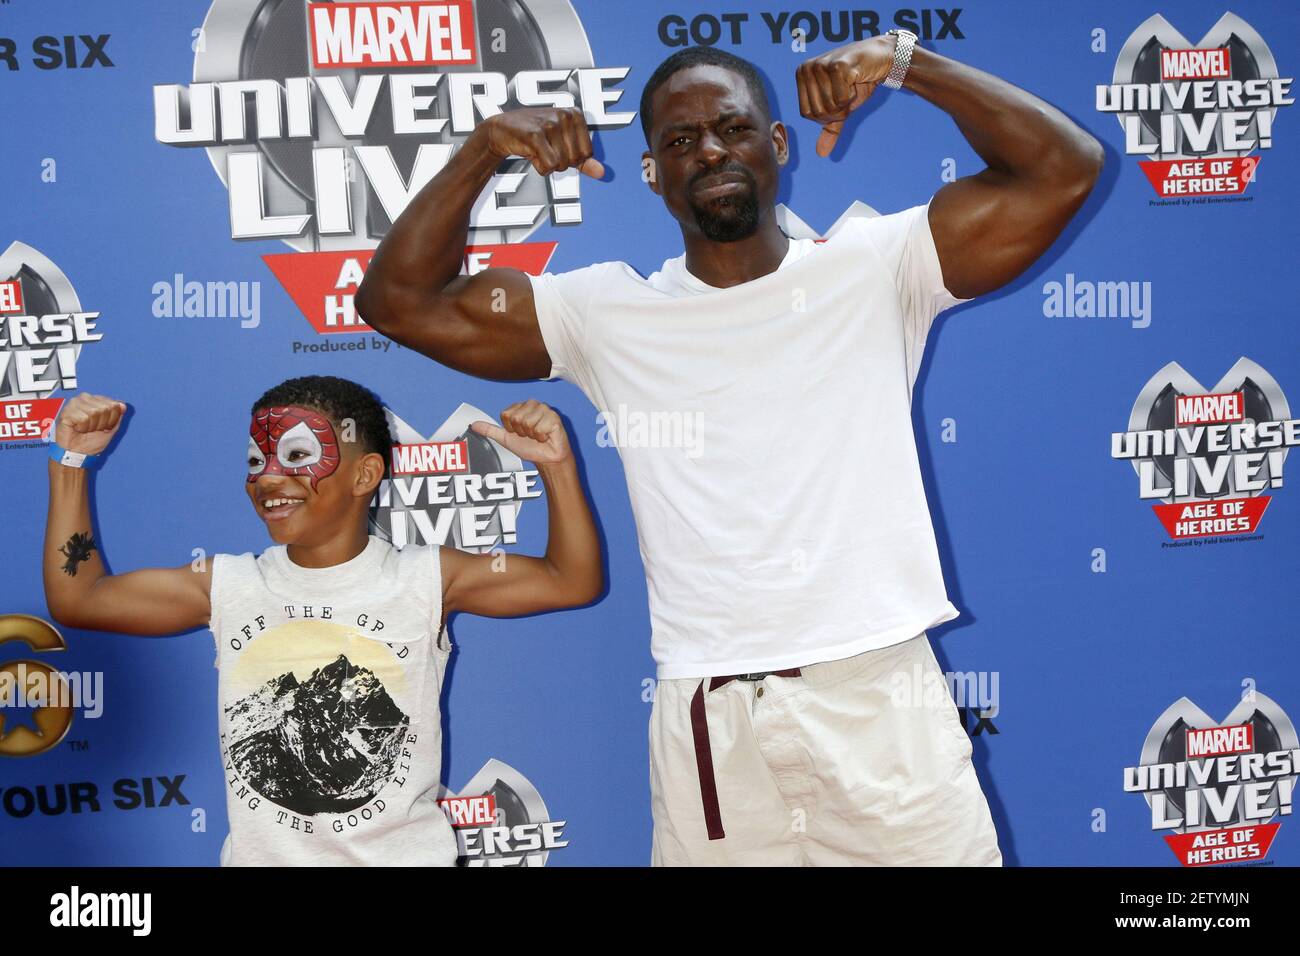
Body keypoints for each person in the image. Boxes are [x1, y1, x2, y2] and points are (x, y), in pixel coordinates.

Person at [356, 35, 1103, 865]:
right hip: (709, 723)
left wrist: (903, 64)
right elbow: (399, 302)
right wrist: (488, 145)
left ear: (776, 144)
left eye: (732, 128)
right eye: (679, 141)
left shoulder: (880, 264)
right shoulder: (602, 312)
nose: (709, 149)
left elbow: (1063, 168)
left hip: (879, 705)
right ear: (651, 172)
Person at [41, 376, 601, 865]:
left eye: (297, 457)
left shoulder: (427, 577)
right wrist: (72, 461)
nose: (267, 478)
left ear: (365, 476)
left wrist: (556, 467)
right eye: (256, 462)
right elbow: (81, 598)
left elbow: (570, 580)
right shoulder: (228, 585)